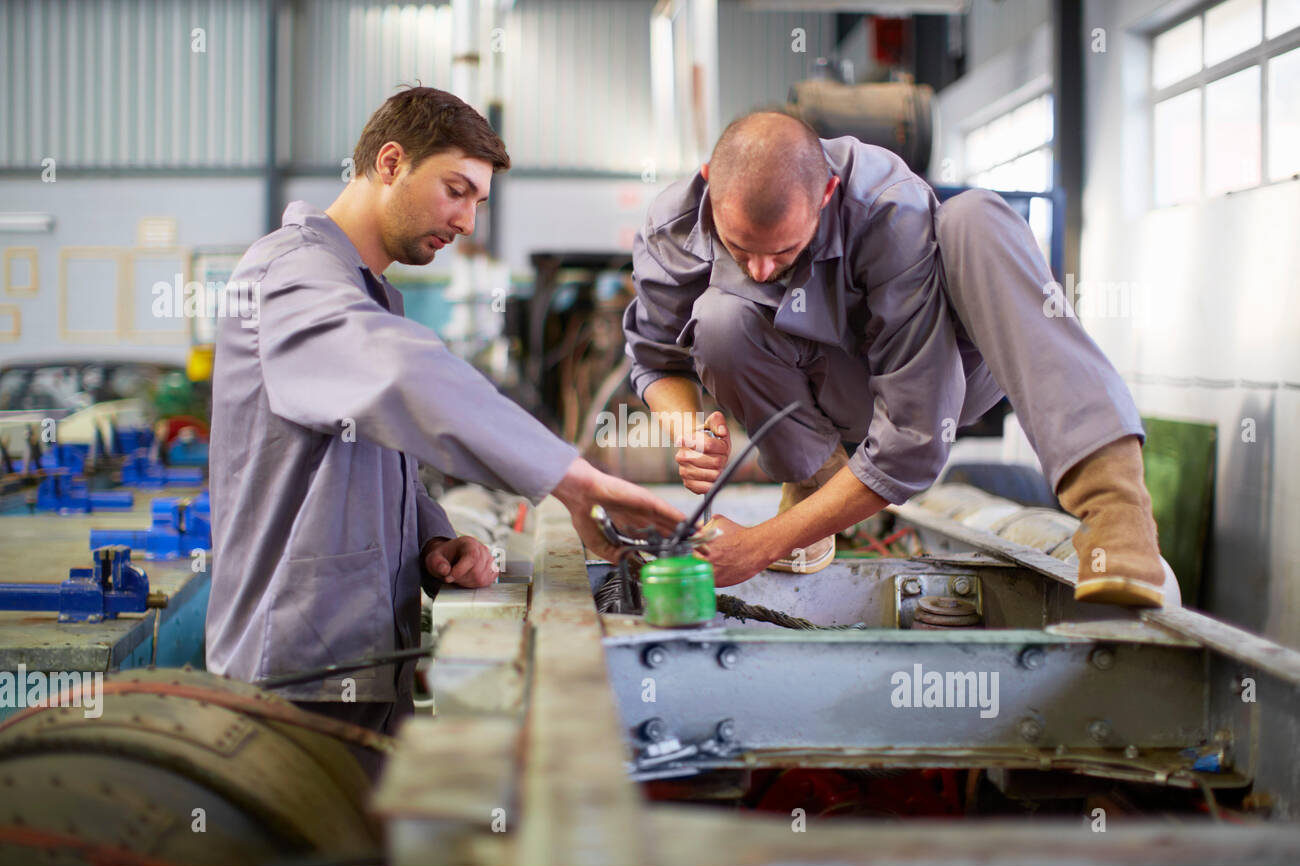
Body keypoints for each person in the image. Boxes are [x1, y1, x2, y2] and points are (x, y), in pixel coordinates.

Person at [206, 87, 683, 772]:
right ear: (392, 162)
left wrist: (433, 535)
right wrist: (569, 476)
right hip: (295, 680)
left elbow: (360, 453)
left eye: (478, 202)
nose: (466, 221)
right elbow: (400, 375)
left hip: (364, 663)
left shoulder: (361, 291)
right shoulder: (290, 274)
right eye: (456, 190)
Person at [624, 111, 1163, 607]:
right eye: (741, 249)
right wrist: (687, 429)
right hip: (827, 388)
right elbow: (656, 359)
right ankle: (814, 481)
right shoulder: (670, 227)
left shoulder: (888, 204)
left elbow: (912, 439)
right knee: (721, 319)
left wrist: (762, 544)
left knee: (977, 218)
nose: (761, 270)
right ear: (709, 184)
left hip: (947, 373)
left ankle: (1117, 514)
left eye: (784, 251)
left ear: (827, 193)